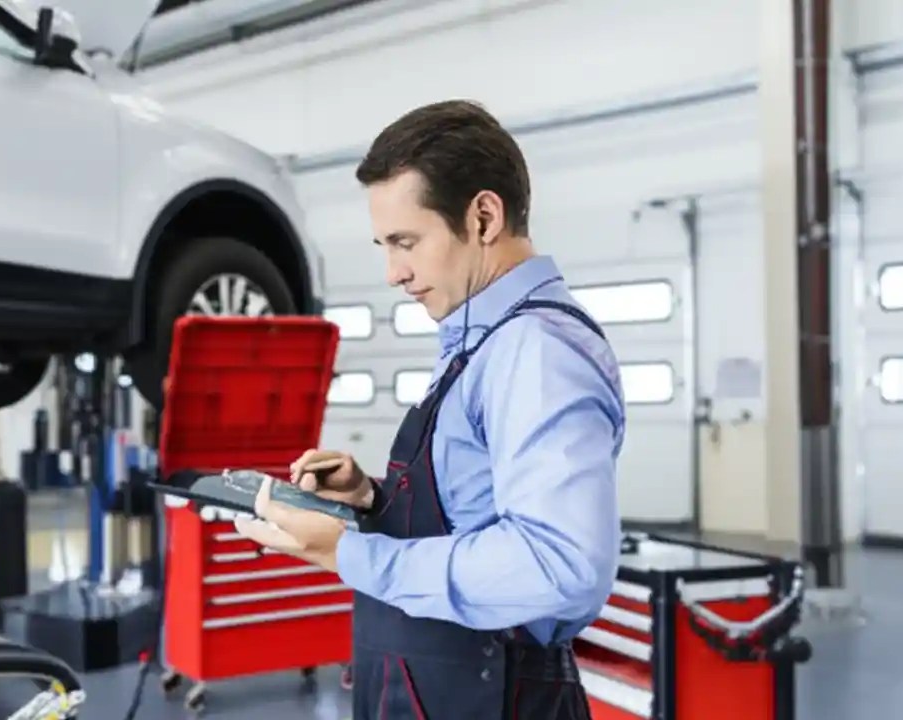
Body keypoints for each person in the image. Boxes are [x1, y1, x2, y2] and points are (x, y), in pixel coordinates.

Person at [234, 99, 626, 719]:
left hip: (494, 697)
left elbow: (559, 565)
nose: (394, 272)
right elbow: (472, 506)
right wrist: (372, 499)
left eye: (406, 242)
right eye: (385, 246)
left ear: (484, 217)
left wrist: (349, 553)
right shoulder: (482, 338)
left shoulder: (537, 350)